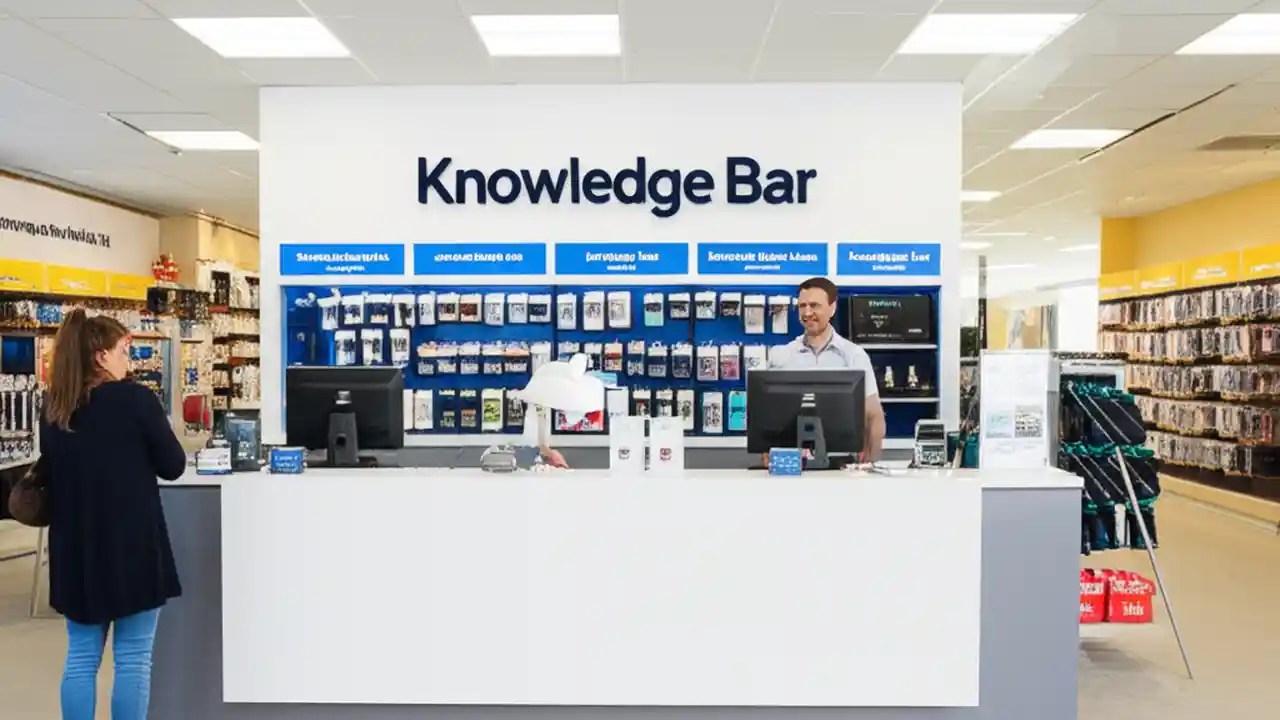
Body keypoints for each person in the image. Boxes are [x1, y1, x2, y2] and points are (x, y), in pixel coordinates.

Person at [41, 309, 187, 720]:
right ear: (101, 356)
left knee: (81, 658)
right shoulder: (136, 400)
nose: (130, 359)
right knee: (134, 659)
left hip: (76, 547)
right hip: (132, 545)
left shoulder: (55, 407)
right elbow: (173, 465)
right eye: (125, 350)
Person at [766, 276, 886, 461]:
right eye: (802, 306)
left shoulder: (854, 355)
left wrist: (869, 463)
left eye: (814, 305)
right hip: (792, 464)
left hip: (842, 464)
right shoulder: (783, 356)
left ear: (832, 308)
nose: (807, 312)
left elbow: (874, 415)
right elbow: (767, 414)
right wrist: (766, 451)